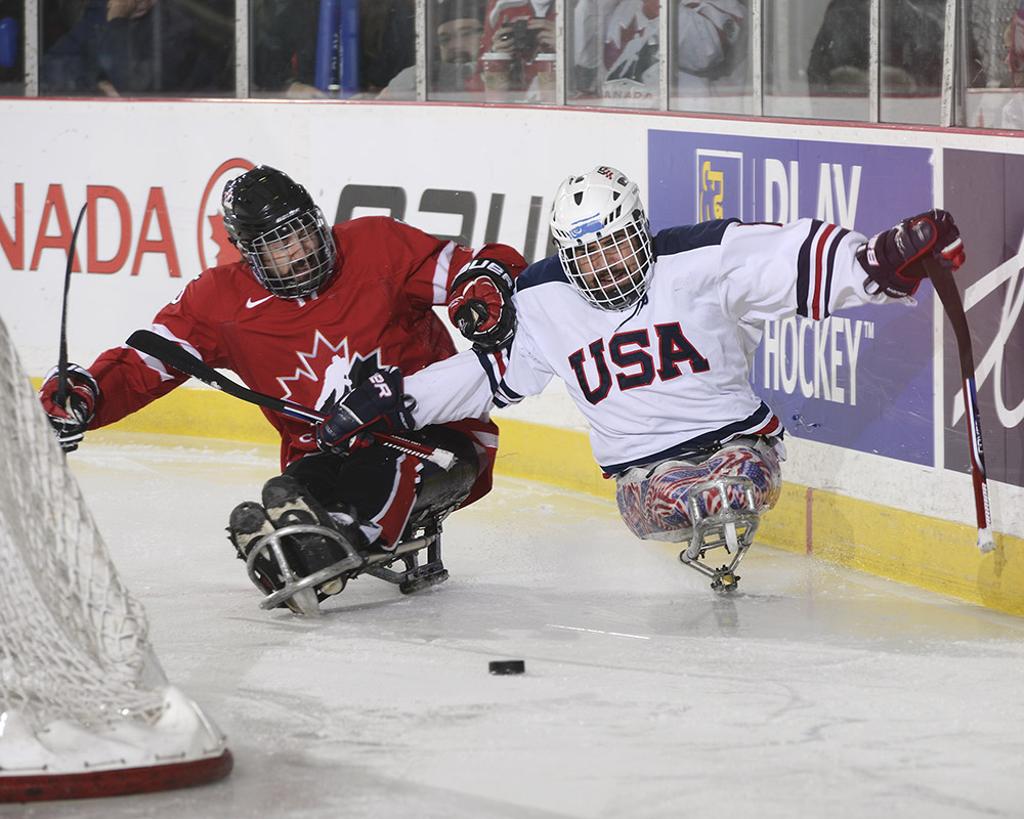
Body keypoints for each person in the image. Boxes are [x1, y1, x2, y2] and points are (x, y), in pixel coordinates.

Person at [337, 165, 966, 590]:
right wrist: (401, 401)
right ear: (564, 253)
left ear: (640, 229)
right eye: (585, 253)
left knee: (733, 488)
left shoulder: (701, 256)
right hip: (642, 475)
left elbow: (795, 261)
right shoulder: (543, 299)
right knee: (683, 496)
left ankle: (715, 487)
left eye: (614, 243)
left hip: (737, 445)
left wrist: (880, 261)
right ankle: (688, 493)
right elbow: (488, 375)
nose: (604, 264)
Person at [39, 165, 526, 613]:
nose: (298, 251)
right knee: (292, 487)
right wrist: (89, 395)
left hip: (438, 439)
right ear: (250, 254)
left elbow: (478, 265)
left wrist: (481, 285)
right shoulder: (219, 301)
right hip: (325, 450)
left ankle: (343, 532)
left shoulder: (377, 246)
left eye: (302, 232)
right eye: (278, 244)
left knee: (385, 464)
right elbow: (146, 362)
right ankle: (300, 546)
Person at [379, 0, 486, 99]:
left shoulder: (498, 80)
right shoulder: (423, 83)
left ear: (486, 36)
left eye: (466, 34)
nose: (454, 46)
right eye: (445, 39)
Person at [473, 0, 557, 101]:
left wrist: (565, 47)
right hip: (512, 106)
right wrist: (497, 56)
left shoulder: (576, 7)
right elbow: (476, 85)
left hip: (560, 104)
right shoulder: (502, 6)